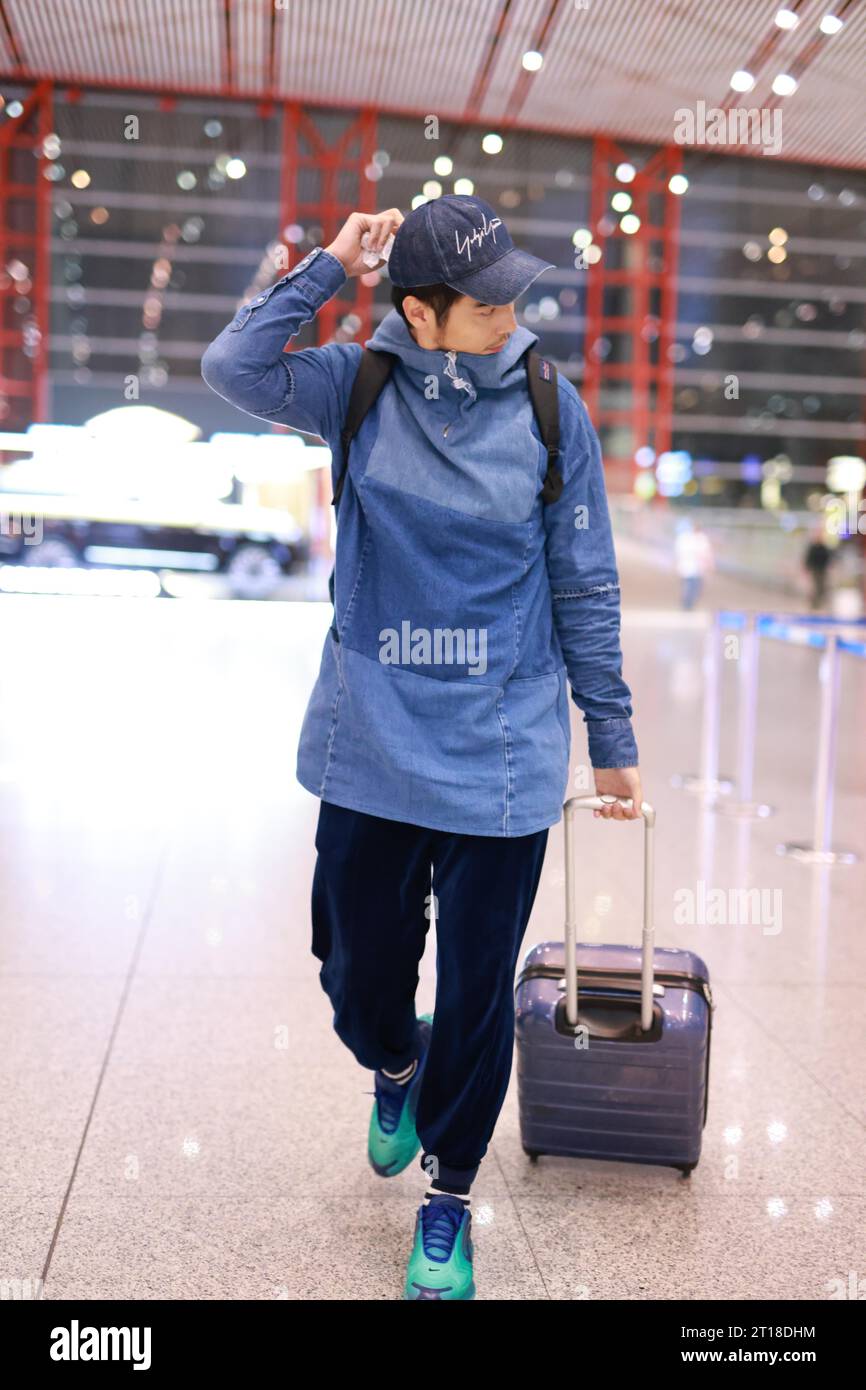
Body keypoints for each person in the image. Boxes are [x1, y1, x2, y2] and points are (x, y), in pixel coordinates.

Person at [201, 194, 642, 1300]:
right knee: (352, 971)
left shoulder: (550, 409)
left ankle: (447, 1199)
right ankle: (392, 1057)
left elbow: (583, 580)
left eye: (514, 290)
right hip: (371, 742)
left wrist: (611, 732)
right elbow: (230, 365)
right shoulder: (358, 385)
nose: (512, 311)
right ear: (419, 311)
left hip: (500, 749)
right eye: (488, 300)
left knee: (480, 985)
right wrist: (322, 269)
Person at [674, 518, 714, 610]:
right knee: (691, 585)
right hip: (690, 567)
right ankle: (687, 603)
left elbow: (706, 552)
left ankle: (687, 602)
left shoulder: (697, 538)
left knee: (692, 586)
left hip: (695, 567)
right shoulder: (688, 538)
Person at [802, 524, 834, 610]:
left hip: (822, 570)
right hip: (814, 570)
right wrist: (807, 568)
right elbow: (808, 558)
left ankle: (819, 605)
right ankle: (814, 605)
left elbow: (828, 558)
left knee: (822, 587)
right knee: (814, 588)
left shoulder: (824, 547)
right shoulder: (813, 547)